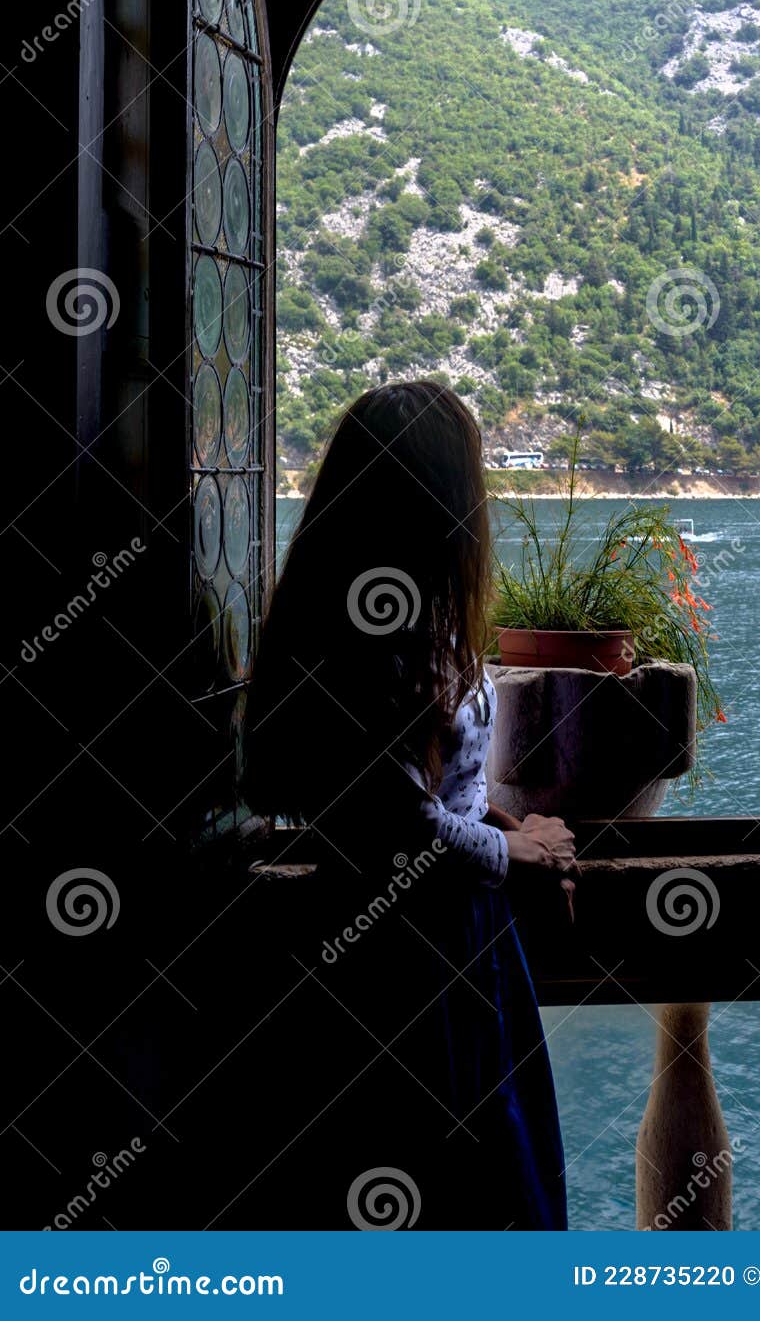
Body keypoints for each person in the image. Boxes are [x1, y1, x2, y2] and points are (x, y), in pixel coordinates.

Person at [241, 380, 575, 1229]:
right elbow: (391, 818)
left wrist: (502, 824)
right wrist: (510, 851)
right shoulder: (380, 639)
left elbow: (425, 789)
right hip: (421, 954)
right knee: (465, 1184)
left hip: (441, 943)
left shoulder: (388, 618)